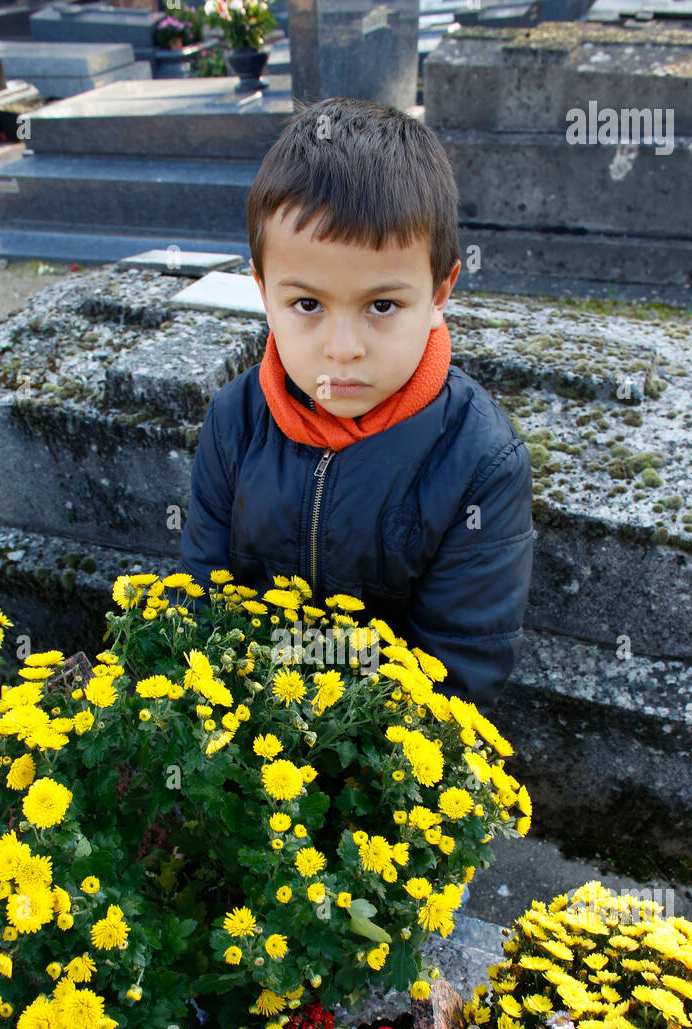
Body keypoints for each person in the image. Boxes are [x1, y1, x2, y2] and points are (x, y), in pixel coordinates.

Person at [177, 95, 533, 718]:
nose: (342, 351)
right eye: (307, 305)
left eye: (382, 306)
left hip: (385, 756)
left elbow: (458, 668)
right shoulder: (234, 421)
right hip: (240, 734)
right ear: (263, 291)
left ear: (440, 292)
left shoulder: (480, 461)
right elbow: (203, 597)